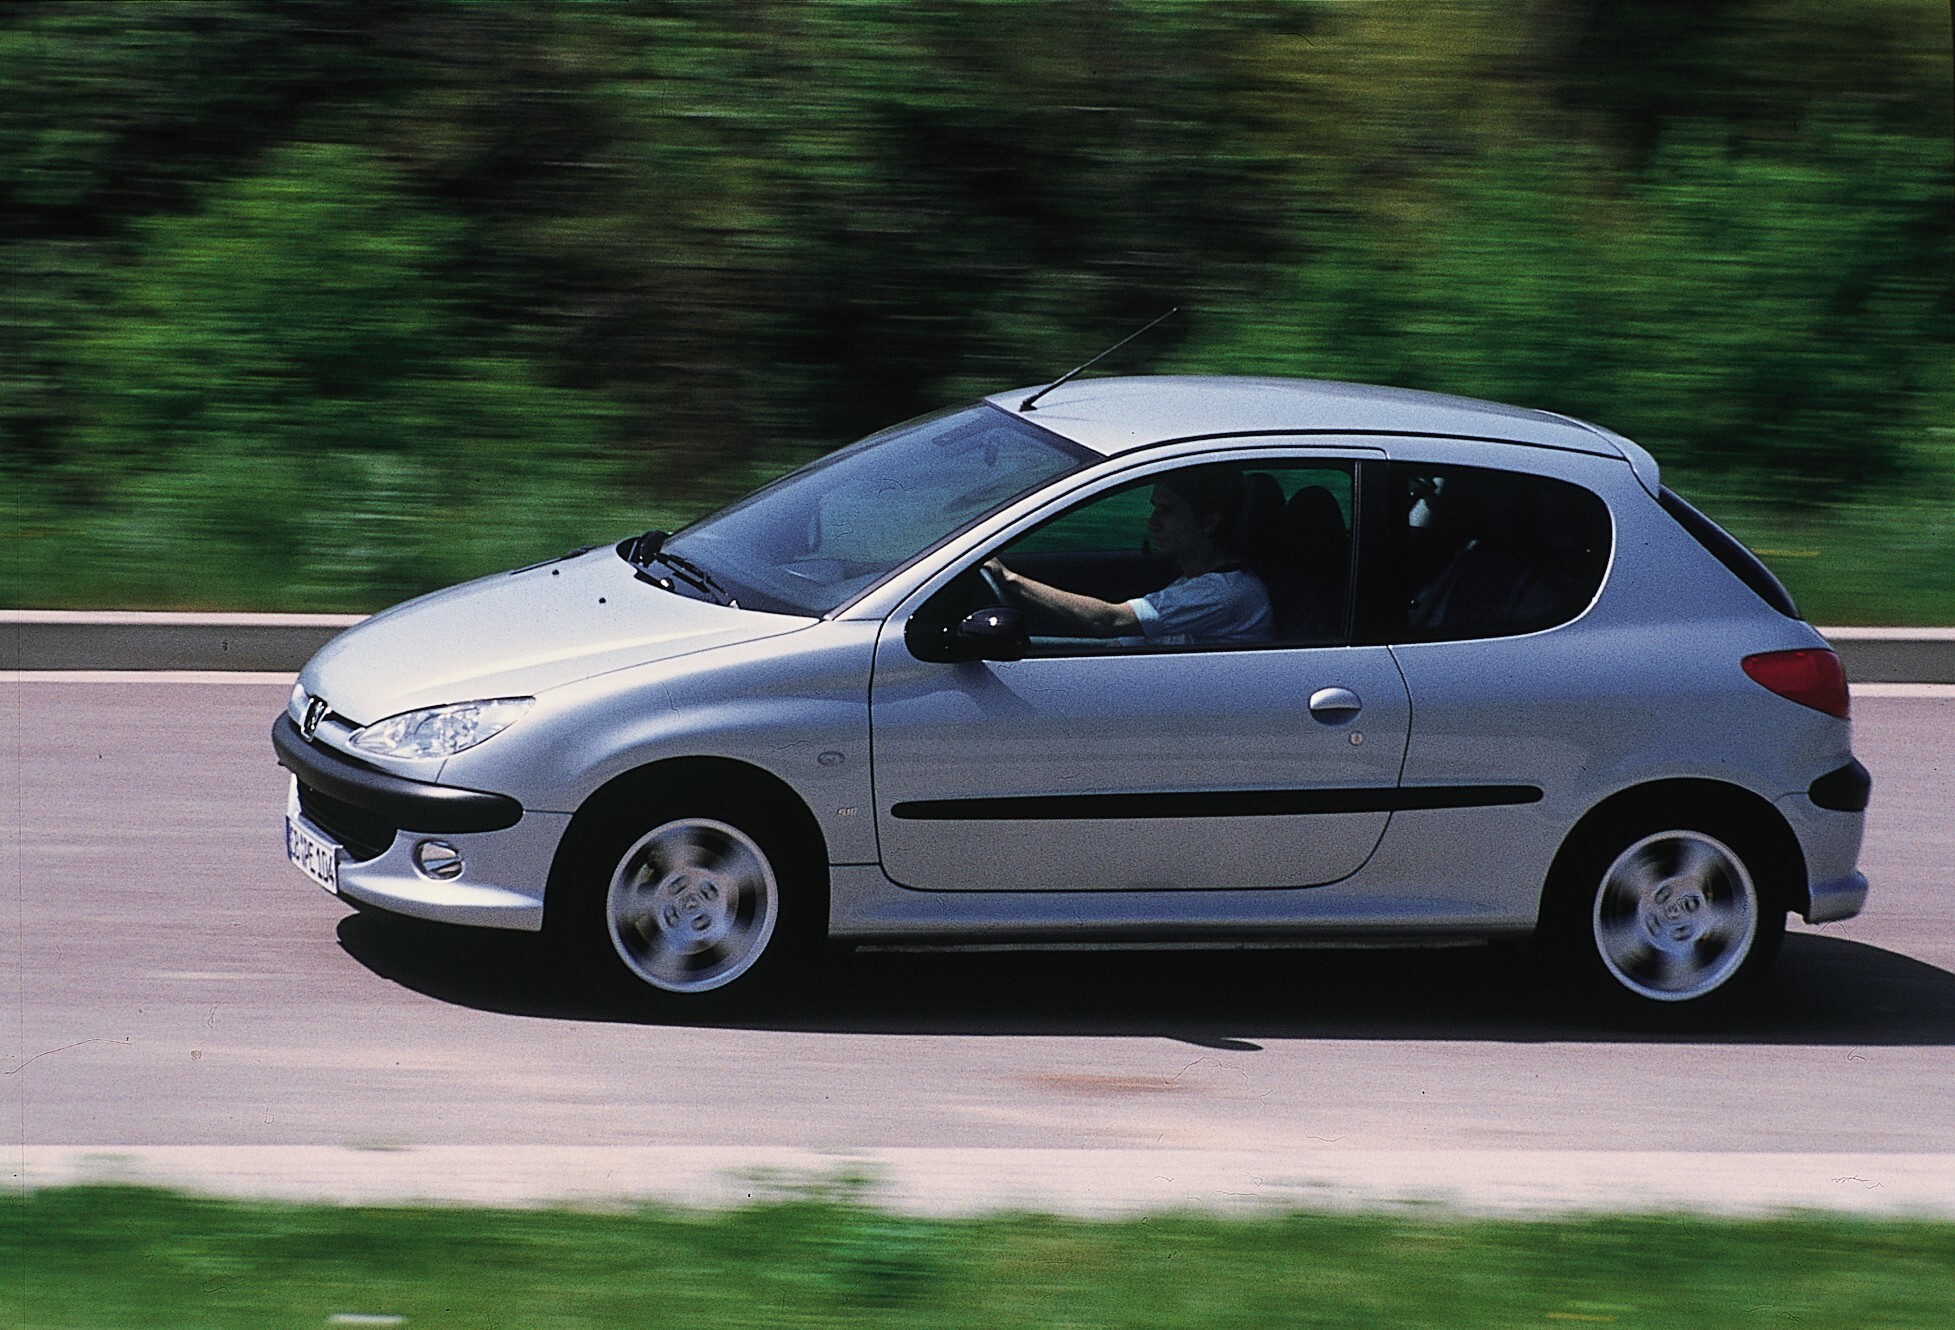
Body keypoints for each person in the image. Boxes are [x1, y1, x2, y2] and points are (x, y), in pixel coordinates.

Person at [985, 464, 1273, 647]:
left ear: (1208, 523)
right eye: (1155, 508)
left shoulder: (1224, 594)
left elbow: (1109, 621)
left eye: (1168, 511)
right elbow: (1119, 644)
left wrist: (1010, 579)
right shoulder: (1196, 582)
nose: (1152, 523)